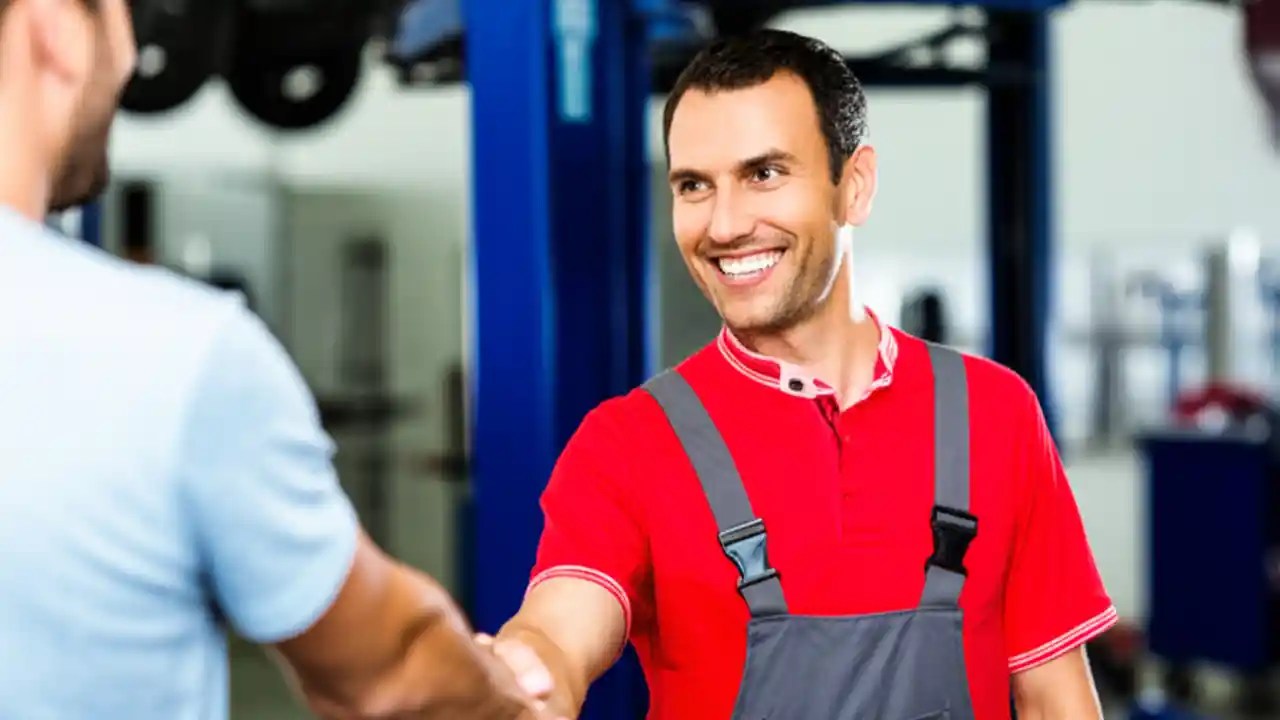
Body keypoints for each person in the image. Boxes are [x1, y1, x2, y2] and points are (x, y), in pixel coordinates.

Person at [483, 29, 1116, 720]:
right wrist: (526, 675)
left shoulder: (993, 415)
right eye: (694, 185)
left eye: (764, 174)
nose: (724, 225)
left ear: (856, 186)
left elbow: (1059, 699)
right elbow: (559, 629)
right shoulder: (629, 443)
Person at [0, 1, 560, 718]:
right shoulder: (173, 356)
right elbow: (391, 677)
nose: (132, 57)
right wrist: (512, 699)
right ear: (57, 30)